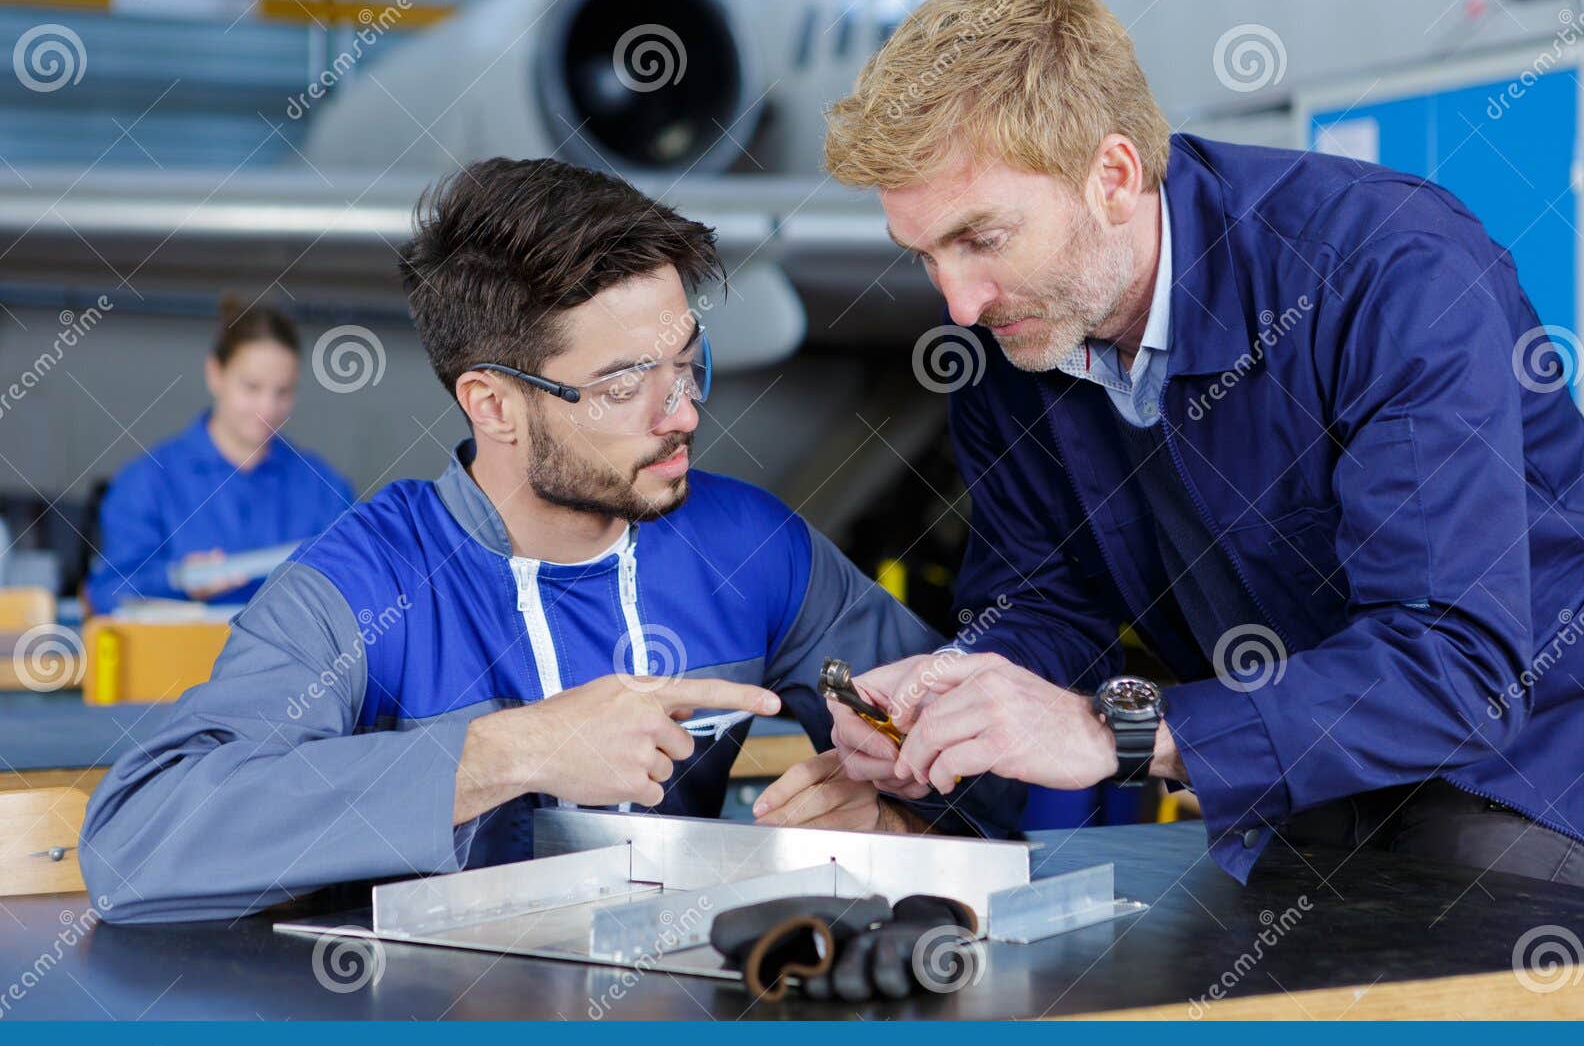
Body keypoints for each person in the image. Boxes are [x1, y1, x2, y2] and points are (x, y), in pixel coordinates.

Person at [80, 157, 1023, 924]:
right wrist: (507, 753)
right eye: (623, 386)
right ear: (492, 404)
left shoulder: (755, 547)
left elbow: (997, 771)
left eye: (687, 360)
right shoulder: (364, 585)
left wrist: (908, 819)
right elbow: (136, 844)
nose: (684, 410)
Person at [823, 0, 1584, 889]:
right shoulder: (1015, 339)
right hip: (1293, 785)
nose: (957, 304)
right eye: (927, 255)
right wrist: (953, 692)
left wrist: (1107, 730)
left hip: (1528, 775)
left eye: (982, 239)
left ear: (1112, 175)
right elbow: (1047, 602)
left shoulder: (1388, 273)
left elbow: (1453, 662)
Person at [85, 298, 353, 612]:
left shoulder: (325, 488)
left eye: (283, 392)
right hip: (178, 660)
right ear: (215, 374)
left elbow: (357, 586)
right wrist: (178, 579)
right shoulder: (146, 482)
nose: (268, 409)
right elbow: (108, 595)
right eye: (252, 387)